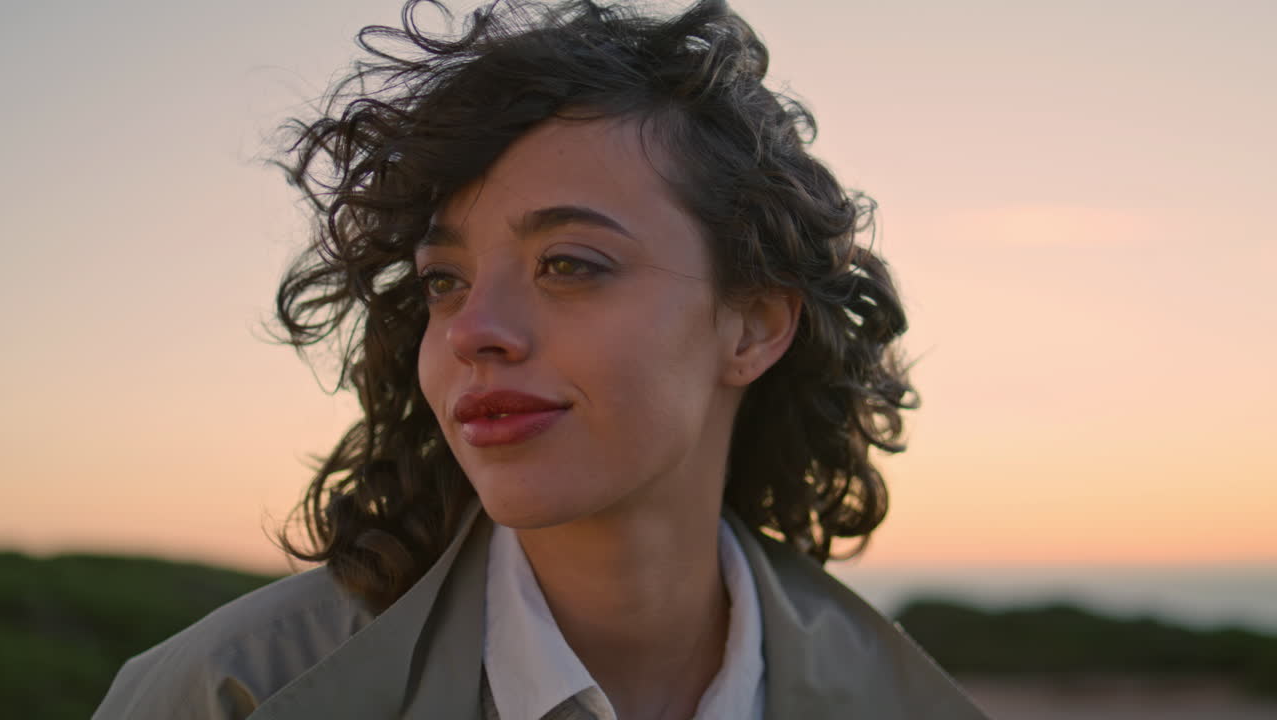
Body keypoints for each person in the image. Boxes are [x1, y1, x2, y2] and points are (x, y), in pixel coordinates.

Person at [94, 0, 989, 718]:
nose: (471, 329)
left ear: (752, 327)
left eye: (568, 265)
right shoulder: (227, 695)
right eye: (443, 279)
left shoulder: (905, 703)